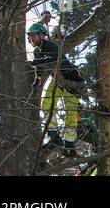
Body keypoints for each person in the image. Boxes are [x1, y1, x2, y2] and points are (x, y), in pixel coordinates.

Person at [28, 21, 84, 154]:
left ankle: (69, 145)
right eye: (30, 36)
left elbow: (53, 59)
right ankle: (54, 136)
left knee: (70, 112)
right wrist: (37, 80)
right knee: (46, 104)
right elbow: (40, 69)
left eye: (33, 35)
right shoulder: (37, 52)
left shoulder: (51, 46)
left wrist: (37, 62)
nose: (31, 38)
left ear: (42, 35)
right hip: (57, 79)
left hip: (72, 79)